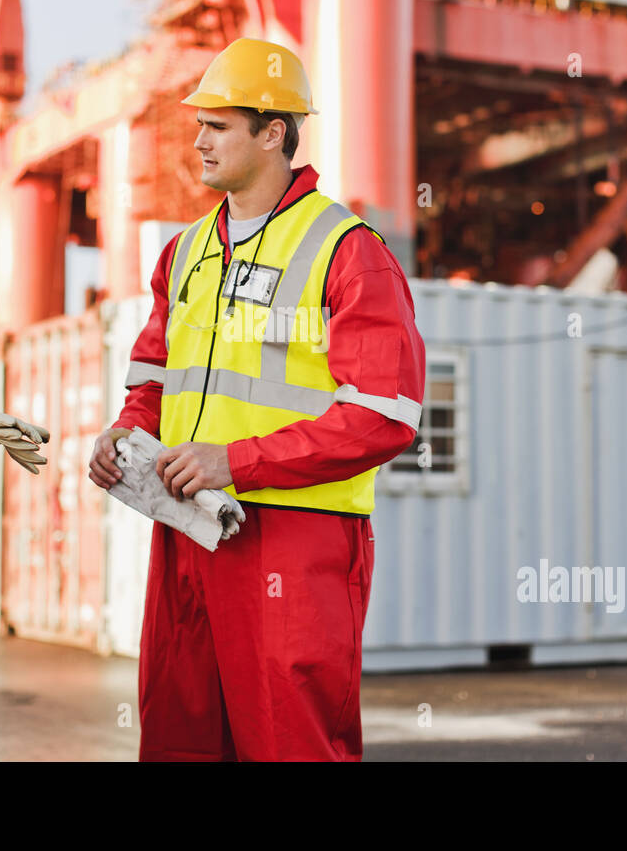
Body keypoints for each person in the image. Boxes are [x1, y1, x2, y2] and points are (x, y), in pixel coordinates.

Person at [88, 38, 427, 761]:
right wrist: (124, 435)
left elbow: (386, 414)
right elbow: (152, 374)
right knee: (180, 735)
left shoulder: (347, 247)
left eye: (218, 124)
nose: (198, 139)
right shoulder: (183, 253)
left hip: (293, 538)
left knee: (289, 741)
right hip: (186, 527)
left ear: (273, 133)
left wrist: (236, 461)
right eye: (199, 122)